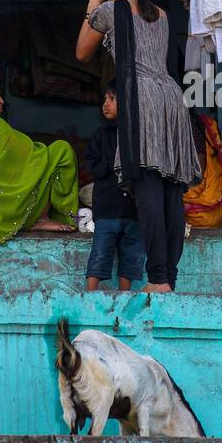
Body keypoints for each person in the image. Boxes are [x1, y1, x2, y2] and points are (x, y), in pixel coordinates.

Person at [76, 0, 201, 293]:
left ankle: (157, 278)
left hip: (140, 100)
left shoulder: (110, 9)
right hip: (171, 98)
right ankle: (168, 278)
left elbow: (82, 52)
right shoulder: (159, 13)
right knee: (171, 193)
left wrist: (92, 4)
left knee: (147, 190)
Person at [0, 92, 78, 250]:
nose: (1, 101)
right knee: (62, 151)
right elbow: (33, 156)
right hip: (16, 213)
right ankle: (42, 218)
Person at [83, 83, 145, 291]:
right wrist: (113, 162)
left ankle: (124, 297)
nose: (106, 104)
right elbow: (91, 164)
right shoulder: (101, 135)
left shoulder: (138, 135)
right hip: (107, 209)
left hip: (133, 210)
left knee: (131, 256)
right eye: (105, 99)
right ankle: (89, 295)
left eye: (112, 99)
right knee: (100, 253)